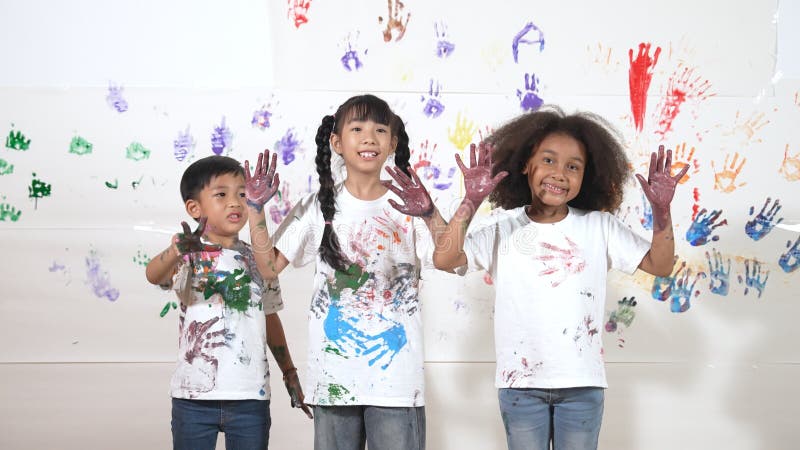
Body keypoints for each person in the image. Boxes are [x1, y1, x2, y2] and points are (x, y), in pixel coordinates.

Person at [429, 106, 688, 450]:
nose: (560, 174)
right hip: (520, 385)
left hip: (582, 385)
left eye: (573, 166)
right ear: (525, 164)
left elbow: (661, 264)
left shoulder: (600, 227)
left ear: (586, 175)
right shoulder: (503, 230)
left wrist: (662, 210)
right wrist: (471, 200)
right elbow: (445, 258)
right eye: (548, 160)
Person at [244, 94, 447, 450]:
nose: (369, 137)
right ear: (337, 142)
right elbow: (267, 267)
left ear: (392, 143)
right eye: (357, 128)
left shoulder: (410, 205)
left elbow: (450, 258)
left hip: (396, 382)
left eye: (380, 130)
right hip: (334, 378)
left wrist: (430, 213)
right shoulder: (315, 207)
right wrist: (255, 210)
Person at [144, 155, 311, 450]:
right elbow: (154, 275)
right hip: (193, 398)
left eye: (242, 194)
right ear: (194, 208)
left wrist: (290, 372)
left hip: (250, 396)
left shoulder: (259, 260)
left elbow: (270, 316)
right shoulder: (187, 253)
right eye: (222, 194)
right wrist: (175, 251)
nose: (235, 202)